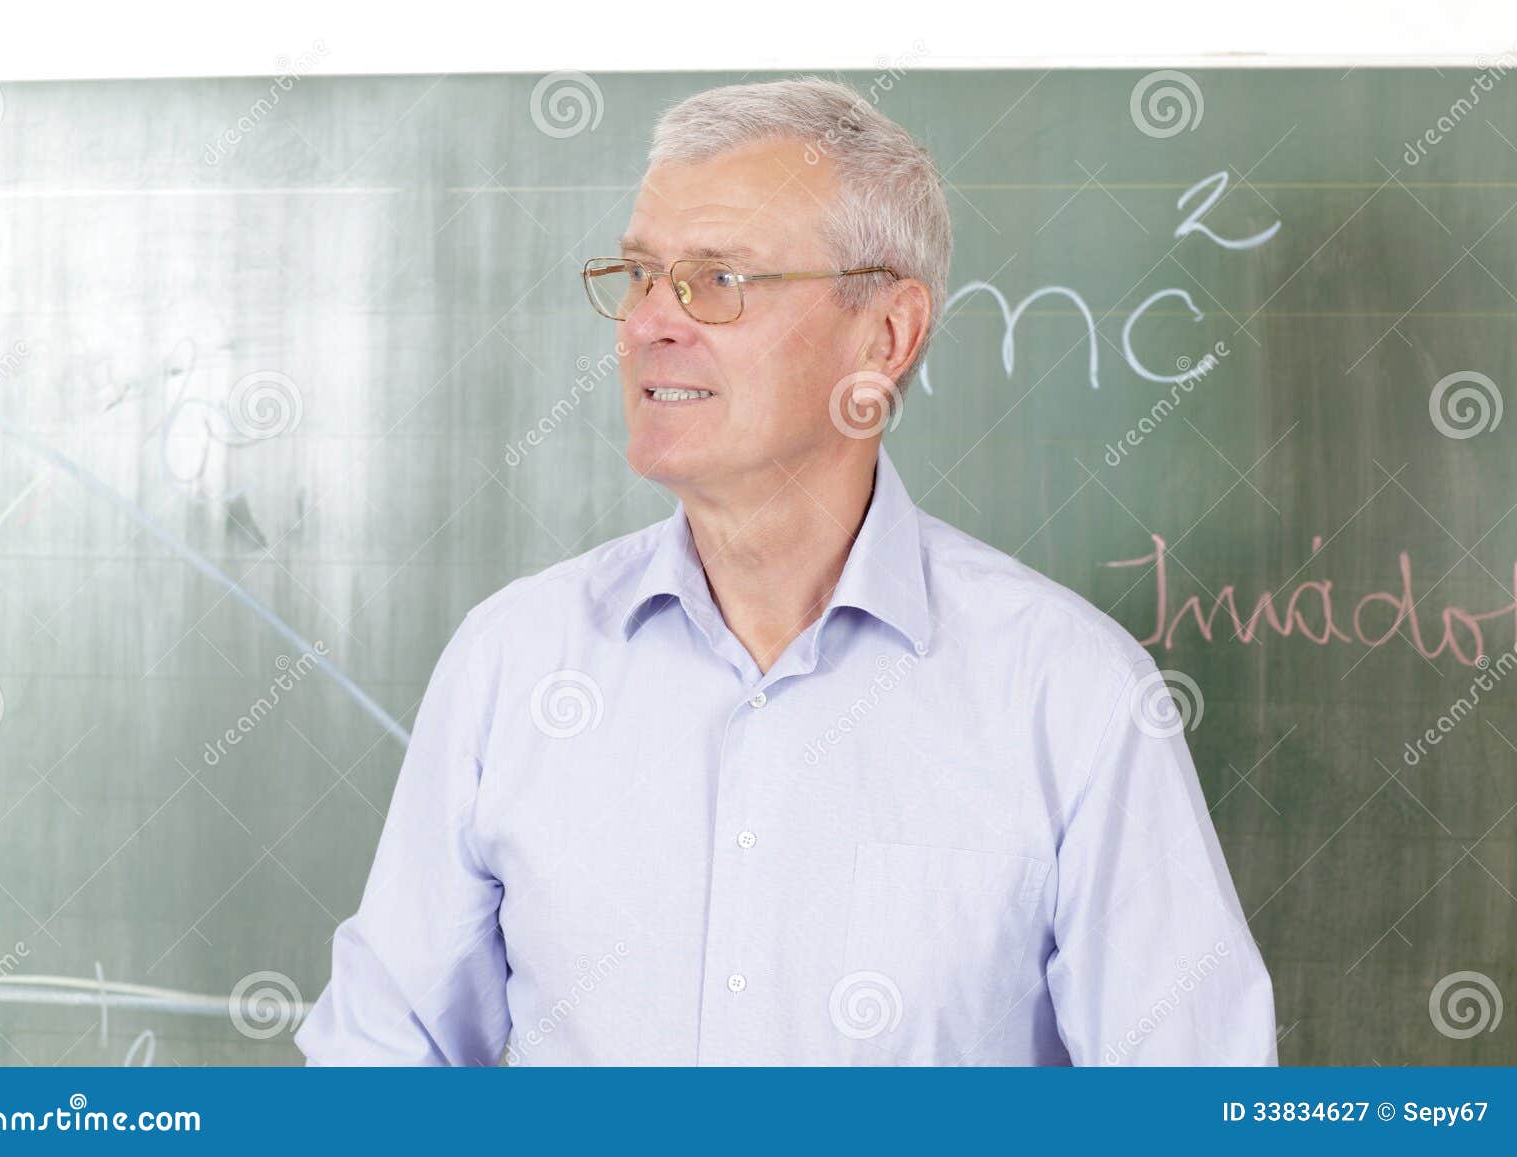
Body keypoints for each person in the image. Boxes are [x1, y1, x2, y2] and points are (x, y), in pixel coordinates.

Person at [295, 76, 1277, 1066]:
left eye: (718, 279)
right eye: (639, 274)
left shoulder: (1070, 694)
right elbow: (377, 1066)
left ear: (883, 335)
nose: (648, 322)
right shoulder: (513, 663)